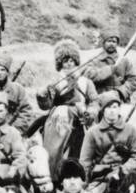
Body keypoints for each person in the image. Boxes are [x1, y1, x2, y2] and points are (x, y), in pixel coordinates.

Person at [36, 39, 98, 181]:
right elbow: (46, 105)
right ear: (60, 64)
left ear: (77, 62)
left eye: (72, 61)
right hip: (59, 122)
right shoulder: (55, 82)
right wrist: (42, 96)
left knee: (85, 153)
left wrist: (90, 113)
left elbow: (94, 102)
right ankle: (53, 179)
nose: (69, 64)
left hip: (81, 121)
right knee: (53, 153)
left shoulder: (86, 82)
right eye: (65, 61)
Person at [80, 90, 136, 193]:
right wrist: (85, 184)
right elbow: (85, 162)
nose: (112, 111)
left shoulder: (130, 130)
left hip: (125, 176)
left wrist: (122, 170)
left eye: (115, 107)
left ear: (119, 109)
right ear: (103, 110)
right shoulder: (92, 133)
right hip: (101, 178)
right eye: (108, 107)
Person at [84, 29, 136, 102]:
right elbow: (88, 76)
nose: (111, 44)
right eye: (109, 41)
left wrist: (121, 92)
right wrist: (108, 70)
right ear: (103, 43)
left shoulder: (124, 61)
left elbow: (134, 80)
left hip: (120, 100)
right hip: (100, 100)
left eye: (114, 41)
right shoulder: (95, 60)